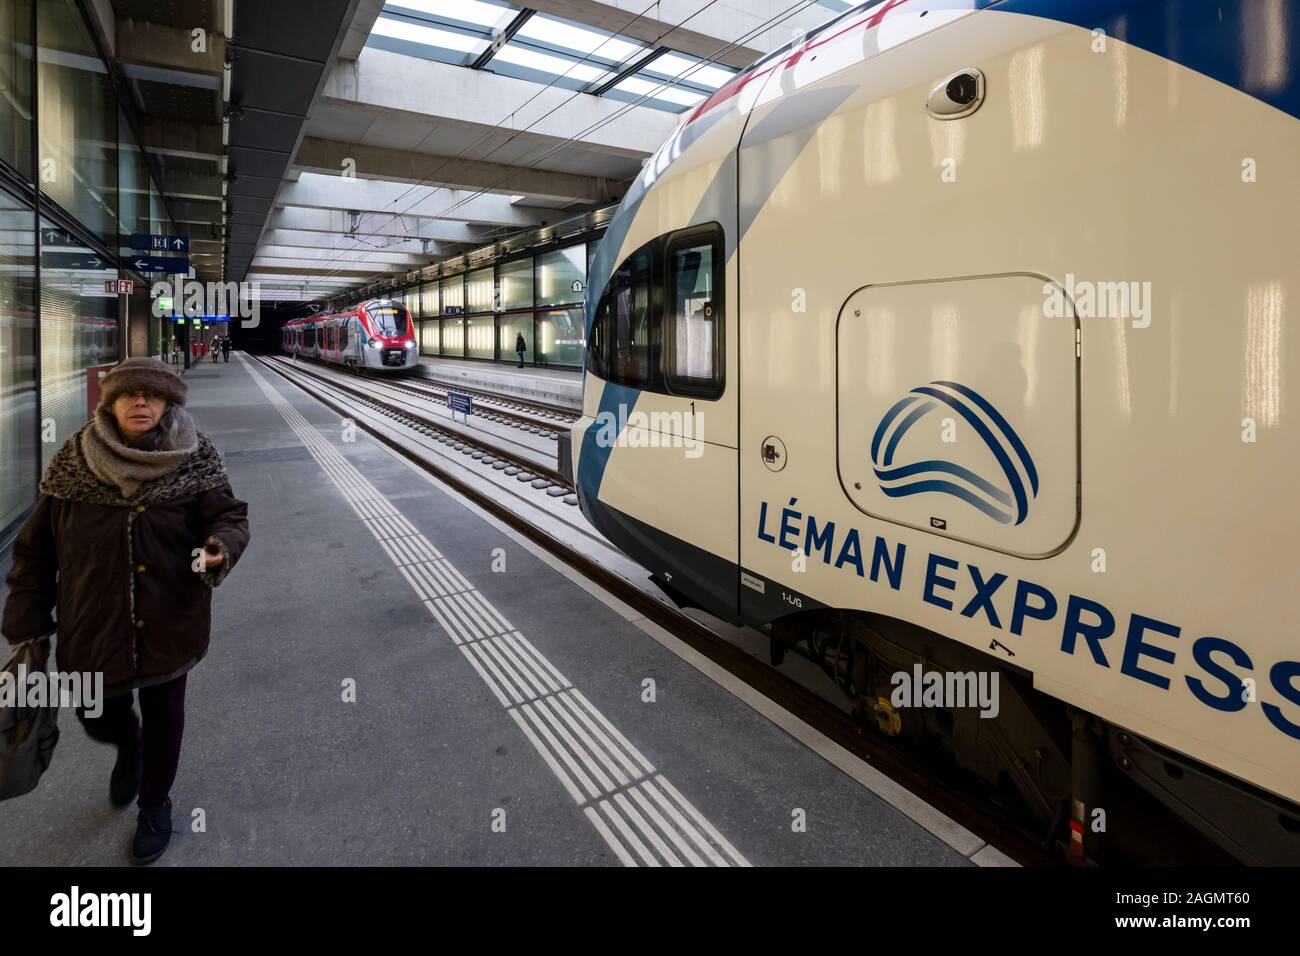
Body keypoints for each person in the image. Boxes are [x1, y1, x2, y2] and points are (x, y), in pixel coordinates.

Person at [1, 358, 250, 864]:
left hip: (170, 617)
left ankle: (155, 803)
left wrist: (220, 545)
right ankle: (127, 747)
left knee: (165, 717)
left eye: (152, 395)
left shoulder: (195, 458)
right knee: (97, 716)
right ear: (110, 404)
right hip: (92, 621)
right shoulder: (74, 462)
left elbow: (228, 515)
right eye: (130, 394)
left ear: (167, 405)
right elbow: (34, 552)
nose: (141, 402)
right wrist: (27, 620)